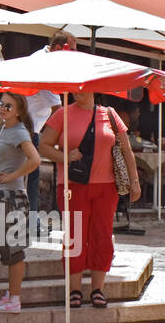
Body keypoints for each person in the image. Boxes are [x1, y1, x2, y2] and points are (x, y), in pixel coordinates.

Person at [39, 91, 141, 308]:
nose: (78, 90)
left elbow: (126, 150)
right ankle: (74, 289)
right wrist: (65, 157)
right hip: (72, 185)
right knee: (75, 236)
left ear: (94, 88)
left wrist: (134, 180)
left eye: (84, 86)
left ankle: (97, 289)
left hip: (106, 187)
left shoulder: (110, 114)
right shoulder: (62, 114)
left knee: (102, 235)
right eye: (75, 86)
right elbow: (44, 146)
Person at [0, 92, 40, 314]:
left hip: (12, 198)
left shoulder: (19, 131)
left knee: (13, 251)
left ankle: (14, 298)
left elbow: (34, 160)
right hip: (0, 196)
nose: (3, 108)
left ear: (18, 110)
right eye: (1, 103)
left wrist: (14, 174)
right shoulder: (6, 128)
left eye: (8, 105)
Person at [25, 32, 76, 215]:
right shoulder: (44, 64)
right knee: (30, 177)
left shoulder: (41, 59)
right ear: (58, 49)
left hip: (31, 128)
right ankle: (30, 221)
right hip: (27, 130)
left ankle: (30, 220)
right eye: (72, 50)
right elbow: (58, 109)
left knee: (30, 176)